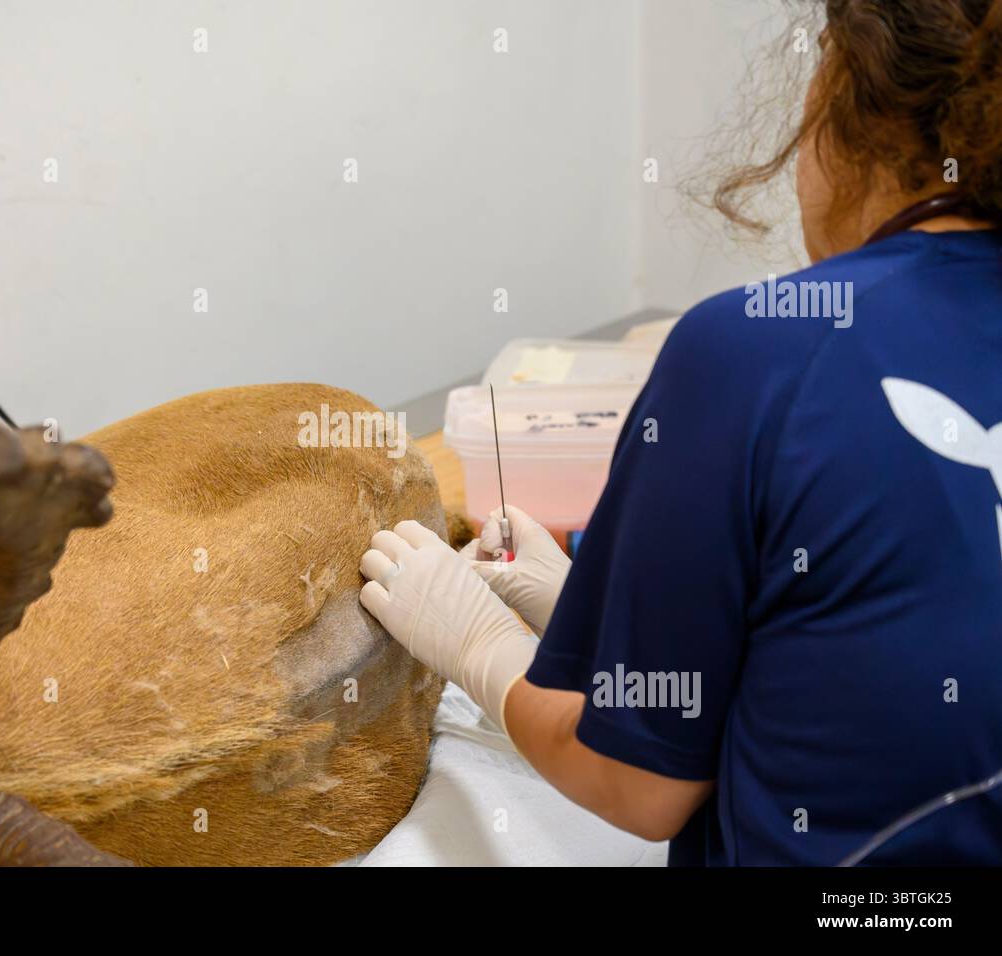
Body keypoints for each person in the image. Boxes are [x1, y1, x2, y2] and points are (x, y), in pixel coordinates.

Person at [359, 0, 1002, 866]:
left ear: (852, 95)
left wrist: (481, 647)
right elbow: (874, 656)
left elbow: (639, 786)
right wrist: (588, 620)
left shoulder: (762, 348)